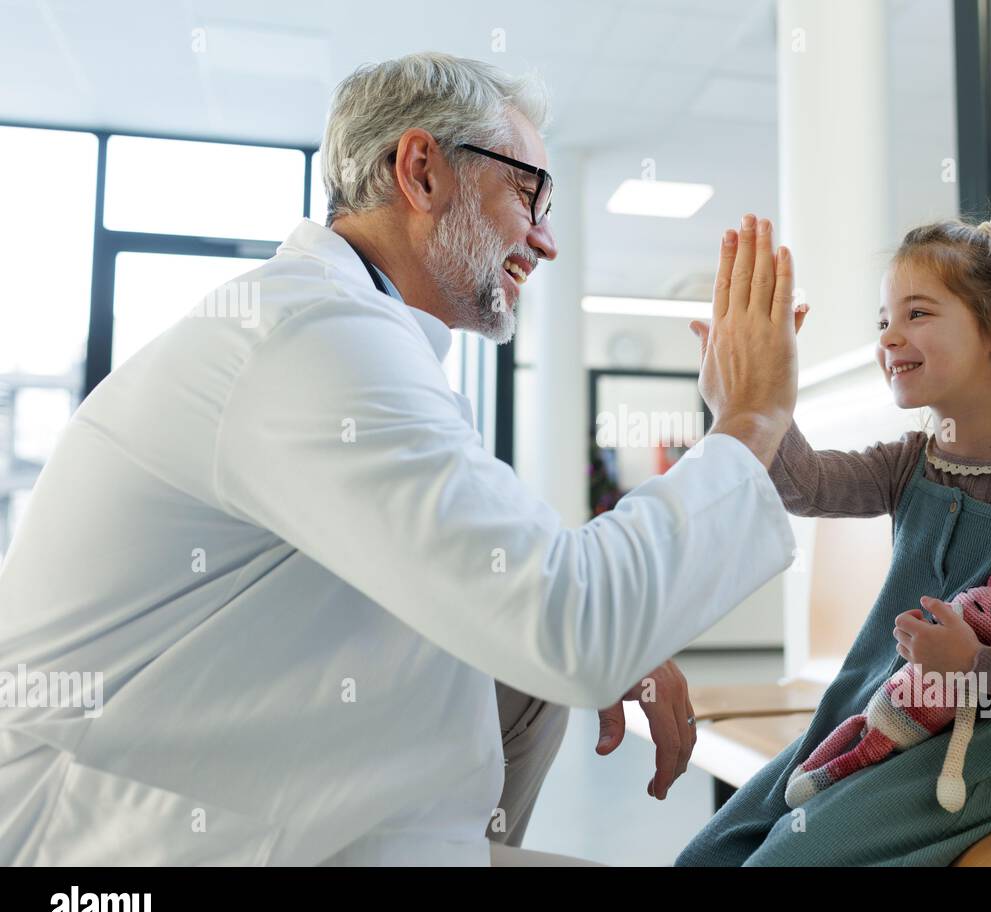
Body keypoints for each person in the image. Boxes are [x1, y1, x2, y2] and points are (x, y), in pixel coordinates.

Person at [0, 51, 802, 867]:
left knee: (528, 681)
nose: (547, 240)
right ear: (421, 170)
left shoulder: (353, 334)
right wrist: (751, 417)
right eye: (531, 193)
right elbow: (568, 620)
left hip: (251, 818)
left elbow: (512, 603)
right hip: (108, 852)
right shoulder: (311, 335)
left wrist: (586, 647)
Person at [676, 218, 991, 866]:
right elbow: (806, 487)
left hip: (967, 764)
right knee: (709, 855)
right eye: (883, 321)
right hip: (867, 724)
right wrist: (753, 399)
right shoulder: (912, 463)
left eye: (917, 313)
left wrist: (981, 667)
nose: (890, 337)